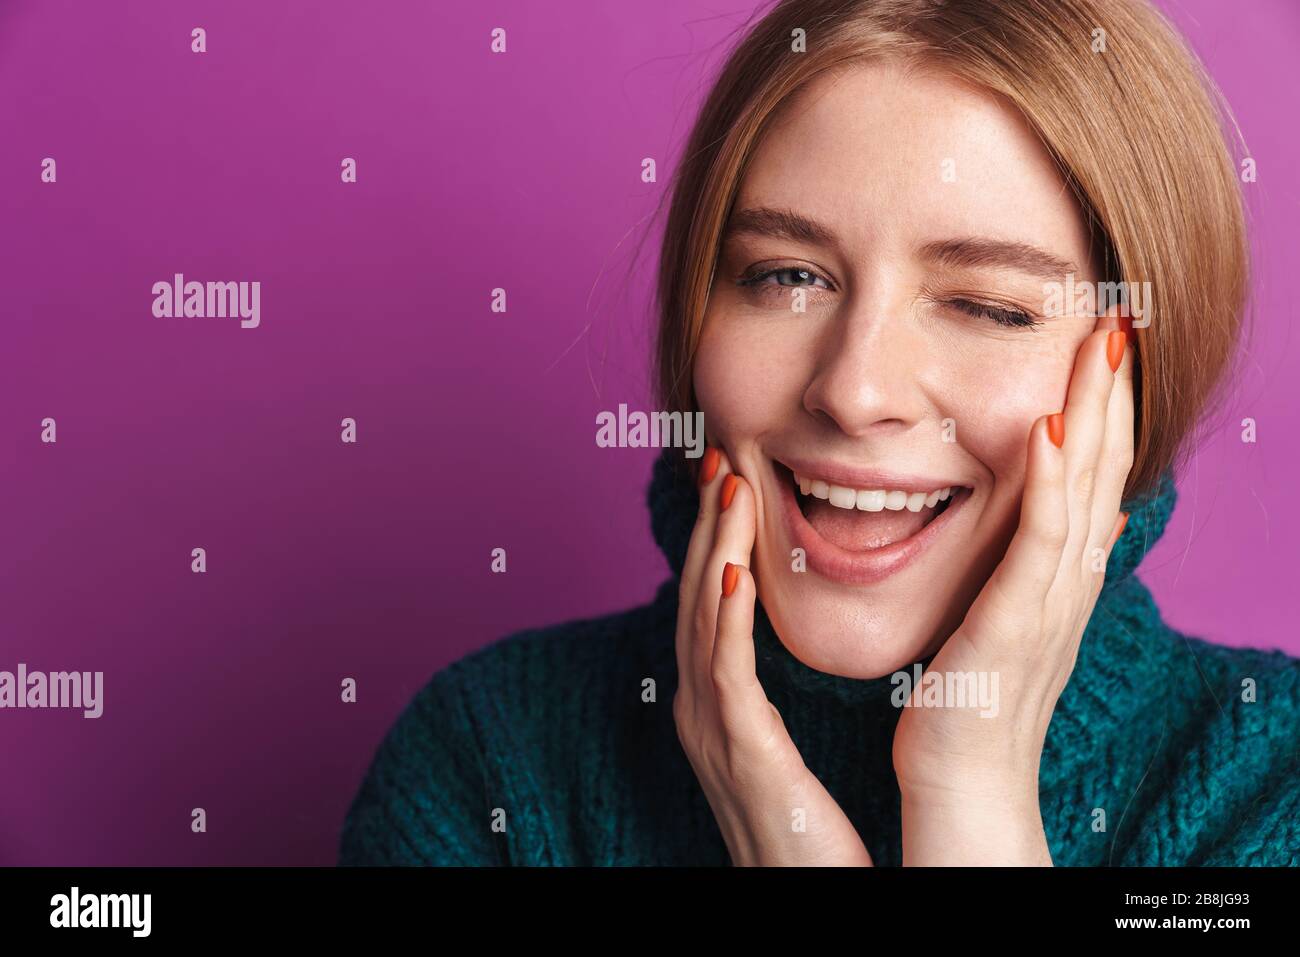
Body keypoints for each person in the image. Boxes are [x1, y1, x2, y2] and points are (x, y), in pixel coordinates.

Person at [339, 0, 1300, 866]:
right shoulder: (490, 766)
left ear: (1135, 379)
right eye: (786, 276)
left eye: (988, 306)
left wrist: (970, 796)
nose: (853, 388)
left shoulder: (1268, 789)